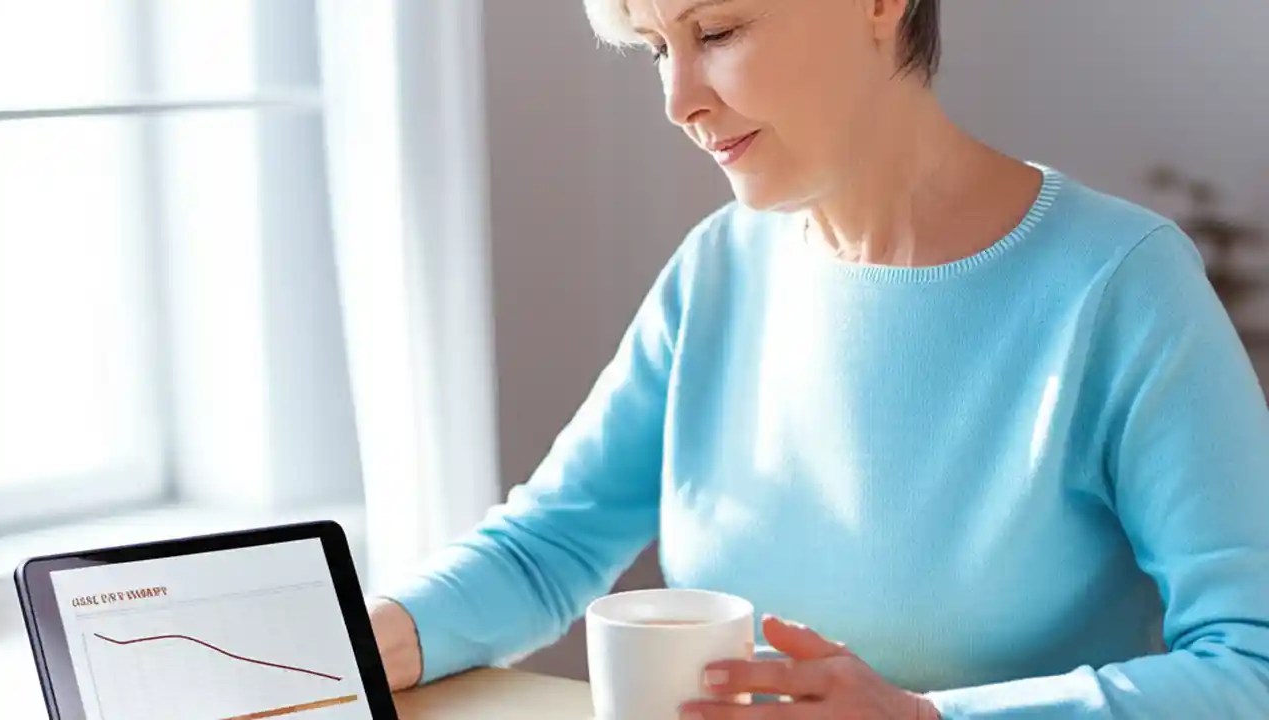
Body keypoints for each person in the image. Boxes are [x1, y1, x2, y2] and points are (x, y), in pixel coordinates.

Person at [368, 0, 1269, 717]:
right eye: (653, 48)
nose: (678, 100)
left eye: (715, 32)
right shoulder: (717, 269)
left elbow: (1250, 665)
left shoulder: (1120, 283)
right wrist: (377, 638)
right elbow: (547, 547)